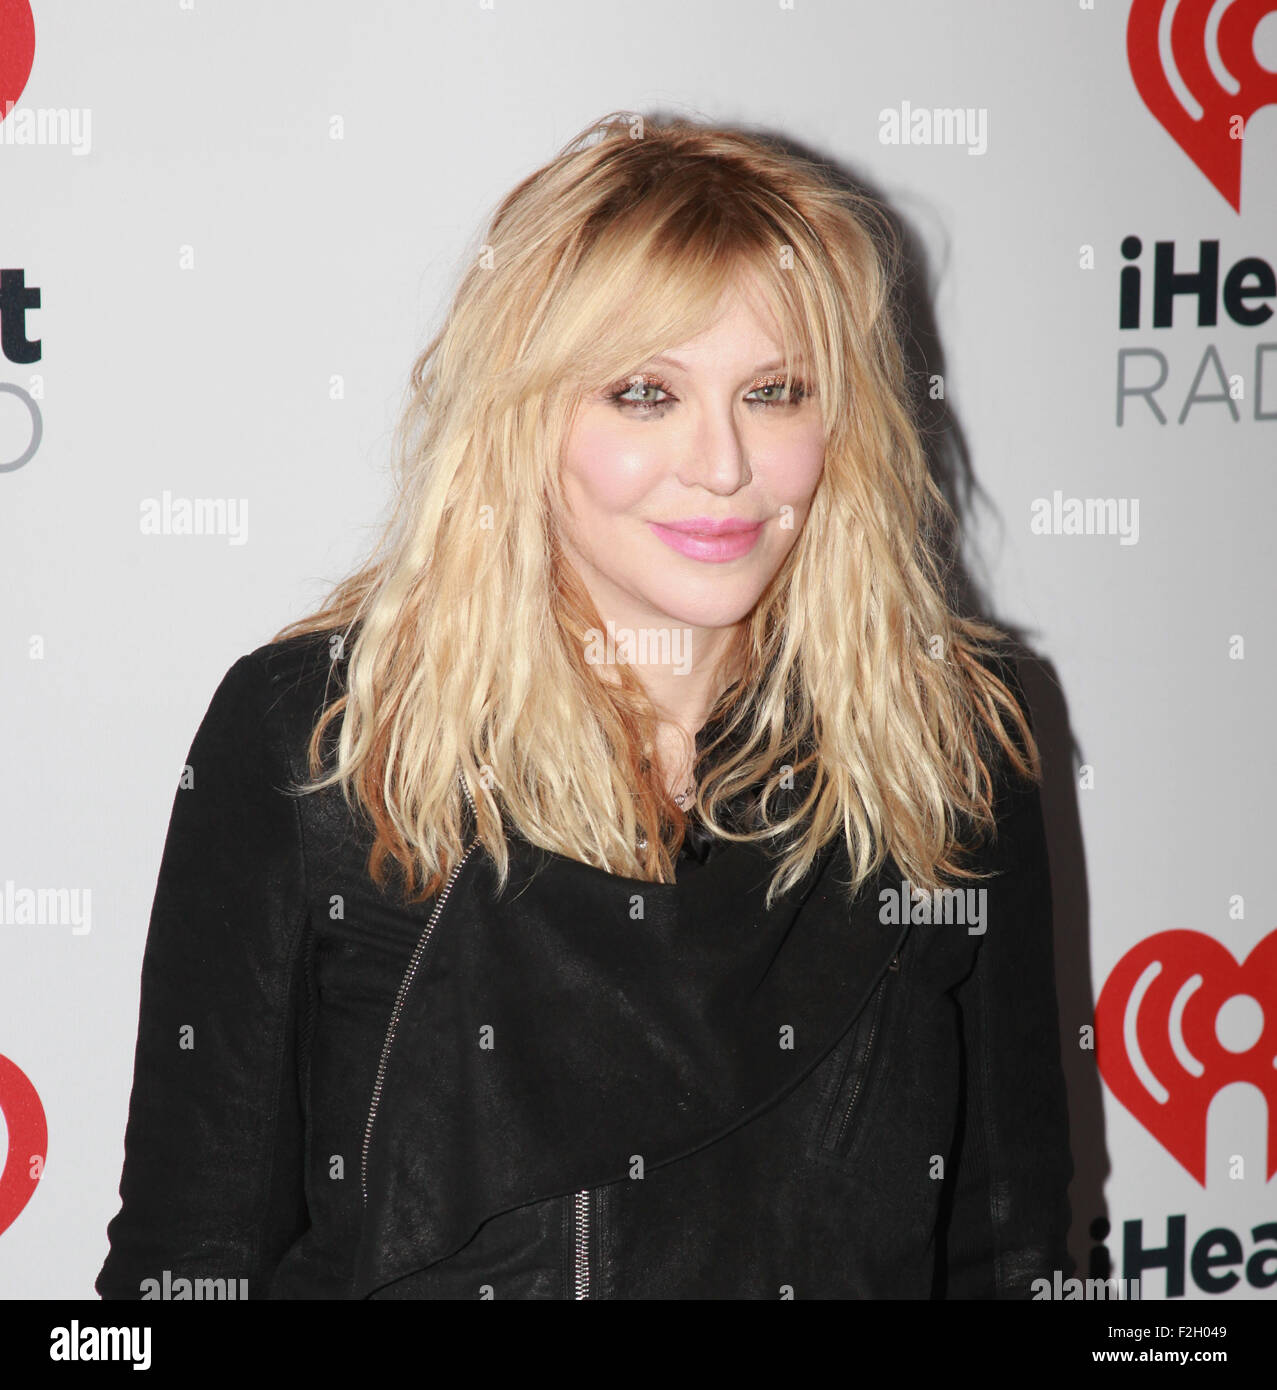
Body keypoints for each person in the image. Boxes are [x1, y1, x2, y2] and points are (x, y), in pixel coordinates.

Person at [96, 111, 1074, 1300]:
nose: (720, 463)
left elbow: (1002, 1252)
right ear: (525, 418)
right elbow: (189, 1266)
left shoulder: (947, 744)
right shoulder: (327, 737)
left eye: (772, 392)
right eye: (643, 394)